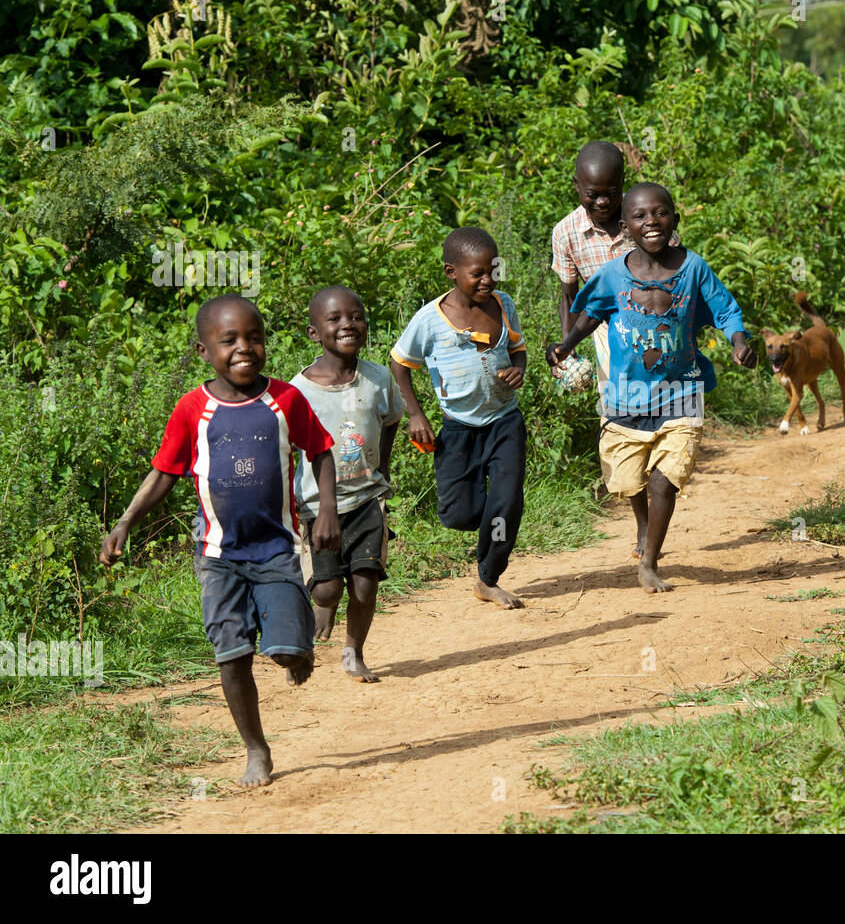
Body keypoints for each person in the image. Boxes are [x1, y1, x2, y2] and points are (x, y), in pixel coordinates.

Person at [101, 293, 340, 787]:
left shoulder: (285, 400)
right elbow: (164, 473)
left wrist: (328, 513)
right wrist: (125, 522)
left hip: (276, 549)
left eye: (254, 337)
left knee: (285, 650)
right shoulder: (193, 408)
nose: (244, 349)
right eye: (228, 340)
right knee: (231, 654)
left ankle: (296, 651)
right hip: (217, 555)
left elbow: (320, 452)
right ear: (204, 350)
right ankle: (255, 749)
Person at [547, 182, 758, 593]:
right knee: (629, 482)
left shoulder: (693, 268)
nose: (651, 222)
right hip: (626, 395)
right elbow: (589, 314)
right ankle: (643, 524)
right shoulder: (612, 274)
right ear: (626, 227)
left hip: (681, 394)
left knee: (665, 479)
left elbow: (725, 309)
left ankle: (650, 560)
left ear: (674, 220)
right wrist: (565, 346)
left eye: (660, 213)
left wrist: (739, 342)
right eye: (640, 216)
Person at [390, 227, 528, 609]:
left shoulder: (503, 305)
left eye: (493, 271)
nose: (488, 280)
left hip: (504, 421)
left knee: (506, 500)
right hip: (458, 427)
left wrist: (519, 369)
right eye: (477, 273)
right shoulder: (430, 320)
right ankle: (486, 524)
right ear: (452, 272)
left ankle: (488, 577)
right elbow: (399, 364)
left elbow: (518, 350)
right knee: (460, 514)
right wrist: (415, 415)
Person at [291, 286, 403, 683]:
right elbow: (286, 451)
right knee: (326, 591)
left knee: (365, 584)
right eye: (334, 319)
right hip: (317, 507)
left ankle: (353, 651)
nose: (347, 325)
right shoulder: (298, 392)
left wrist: (383, 469)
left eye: (356, 316)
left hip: (367, 498)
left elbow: (391, 420)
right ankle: (312, 618)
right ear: (313, 333)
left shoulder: (377, 378)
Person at [550, 140, 678, 402]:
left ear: (623, 182)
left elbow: (679, 273)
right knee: (619, 401)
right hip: (608, 329)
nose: (602, 201)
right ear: (576, 184)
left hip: (658, 322)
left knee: (667, 397)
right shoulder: (566, 233)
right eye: (593, 194)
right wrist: (567, 345)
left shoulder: (646, 219)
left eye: (611, 192)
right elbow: (569, 296)